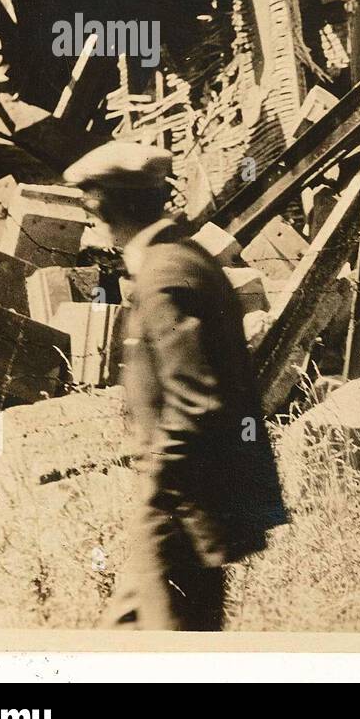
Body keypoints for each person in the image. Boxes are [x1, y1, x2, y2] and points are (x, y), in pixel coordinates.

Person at [63, 141, 286, 631]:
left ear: (110, 206)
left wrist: (158, 491)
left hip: (180, 510)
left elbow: (195, 401)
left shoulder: (165, 275)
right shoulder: (183, 258)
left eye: (89, 199)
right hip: (184, 505)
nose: (86, 212)